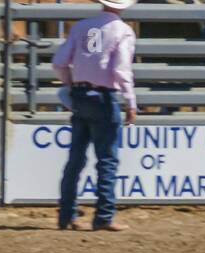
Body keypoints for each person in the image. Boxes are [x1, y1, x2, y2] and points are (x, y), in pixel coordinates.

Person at [52, 0, 138, 232]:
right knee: (107, 160)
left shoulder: (81, 27)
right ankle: (103, 216)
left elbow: (59, 62)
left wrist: (71, 84)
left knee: (76, 158)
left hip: (80, 95)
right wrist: (131, 102)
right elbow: (121, 70)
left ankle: (66, 215)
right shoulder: (123, 31)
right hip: (104, 98)